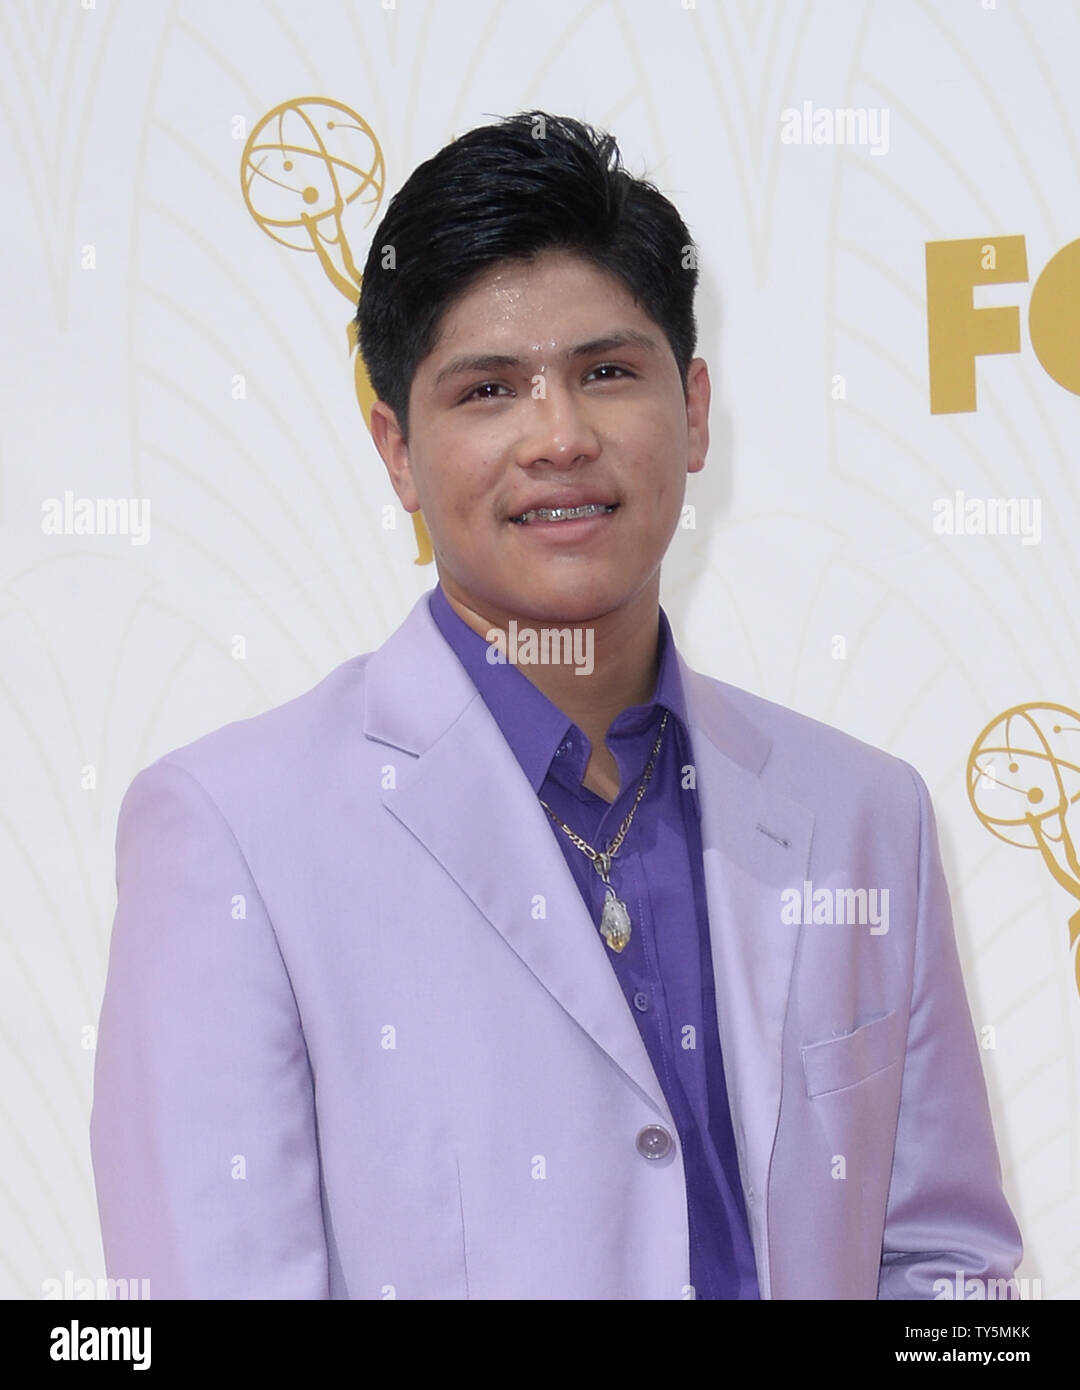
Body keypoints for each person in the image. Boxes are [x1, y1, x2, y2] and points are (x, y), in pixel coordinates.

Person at [90, 110, 1022, 1299]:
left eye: (607, 372)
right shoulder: (233, 832)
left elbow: (947, 1262)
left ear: (692, 412)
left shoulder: (862, 812)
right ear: (395, 450)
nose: (561, 436)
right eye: (489, 389)